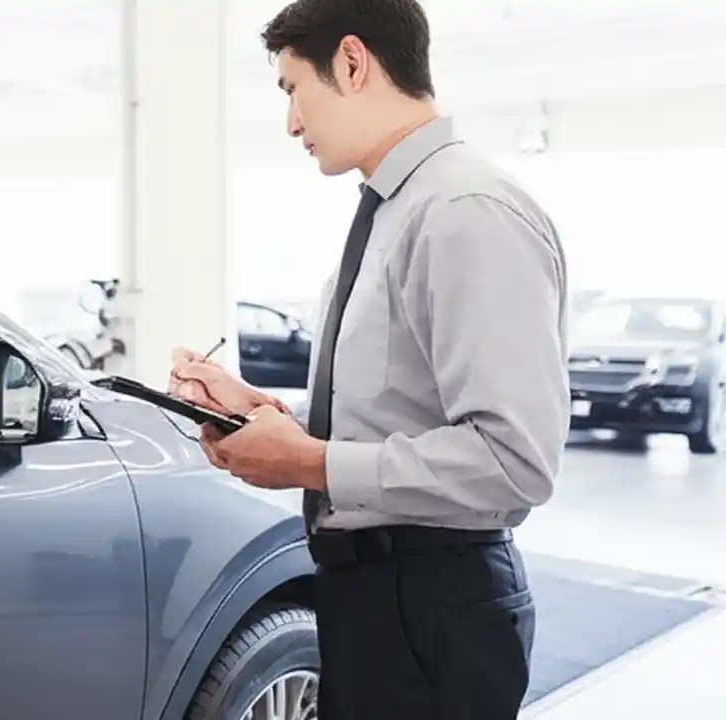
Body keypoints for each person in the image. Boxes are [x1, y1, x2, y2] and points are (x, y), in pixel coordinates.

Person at [168, 1, 569, 718]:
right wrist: (268, 416)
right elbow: (398, 408)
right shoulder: (401, 210)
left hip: (430, 606)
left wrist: (309, 463)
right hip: (380, 602)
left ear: (352, 63)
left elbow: (515, 461)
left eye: (293, 90)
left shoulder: (465, 210)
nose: (292, 122)